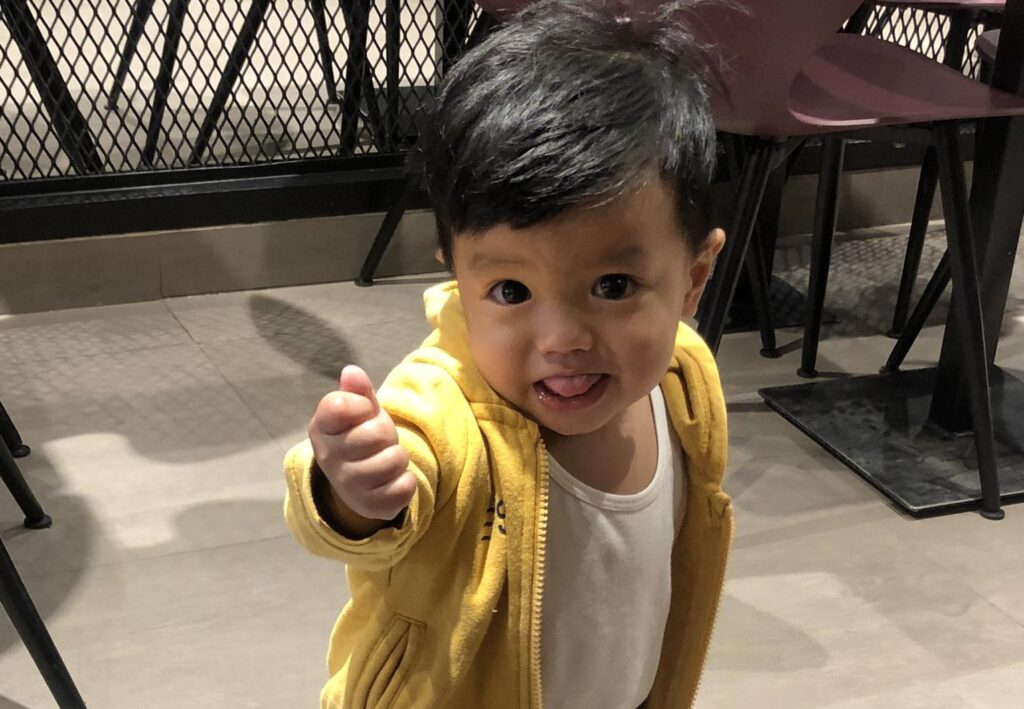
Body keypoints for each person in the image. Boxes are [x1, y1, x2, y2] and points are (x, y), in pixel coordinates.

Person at [284, 1, 733, 706]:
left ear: (692, 280)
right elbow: (404, 472)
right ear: (458, 278)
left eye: (612, 285)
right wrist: (354, 488)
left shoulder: (681, 386)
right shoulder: (447, 408)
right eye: (511, 289)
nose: (561, 338)